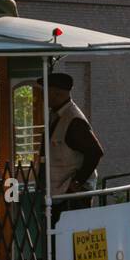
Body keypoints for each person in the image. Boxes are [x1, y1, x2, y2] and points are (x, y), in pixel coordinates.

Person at [44, 71, 104, 213]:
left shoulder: (74, 120)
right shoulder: (57, 115)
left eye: (46, 91)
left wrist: (77, 183)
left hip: (71, 198)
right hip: (60, 193)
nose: (43, 96)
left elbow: (95, 152)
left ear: (57, 94)